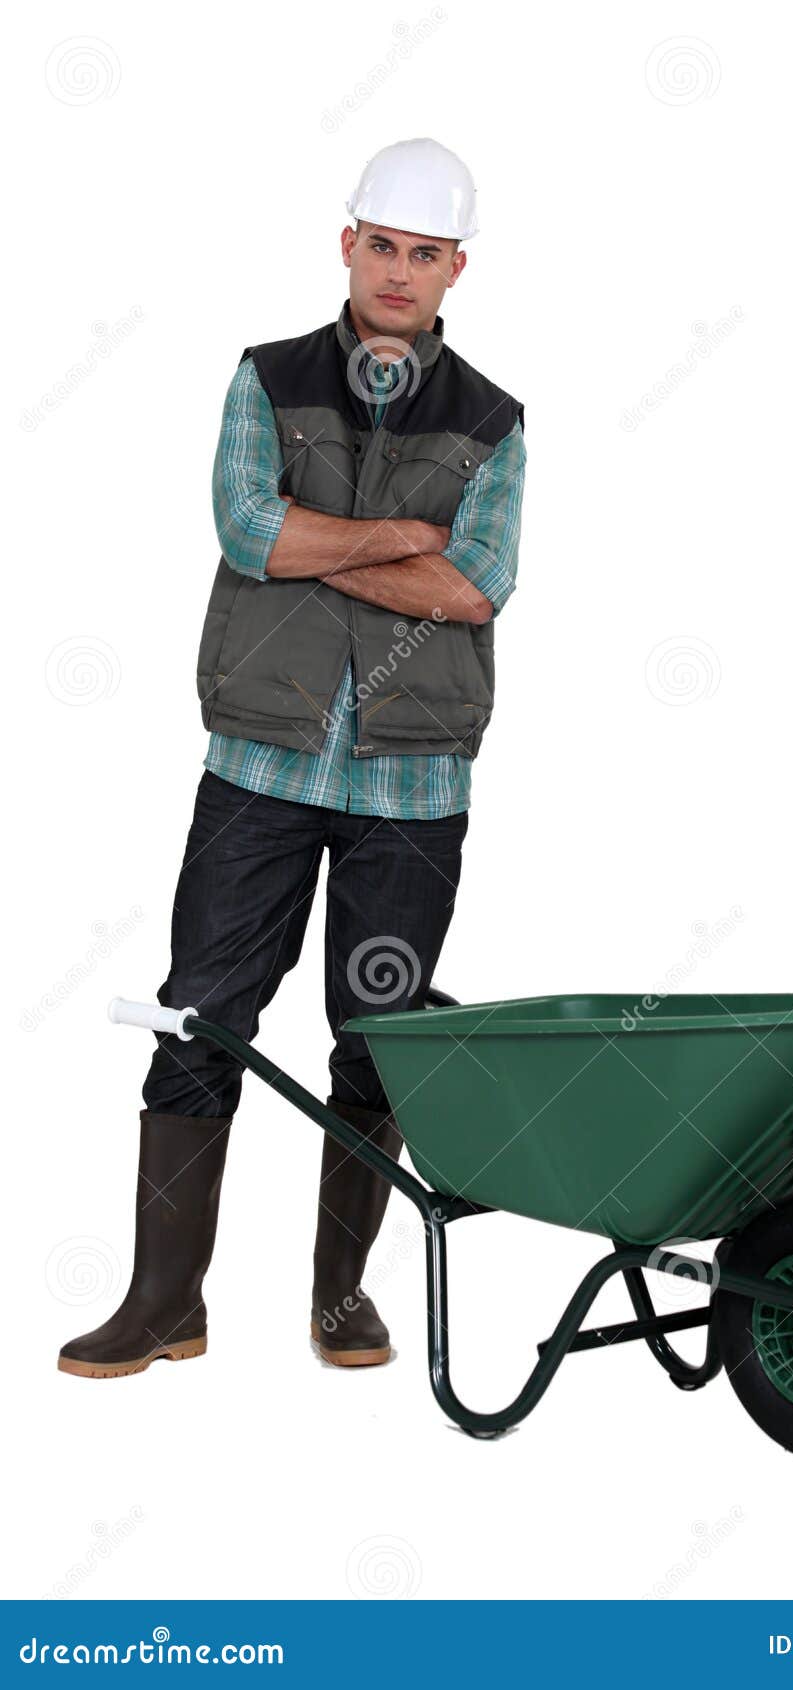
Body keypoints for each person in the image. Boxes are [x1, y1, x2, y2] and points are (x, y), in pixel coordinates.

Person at [58, 136, 526, 1379]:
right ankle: (164, 1302)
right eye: (385, 245)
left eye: (426, 254)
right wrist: (390, 537)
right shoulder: (265, 380)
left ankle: (338, 1296)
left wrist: (325, 542)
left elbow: (476, 587)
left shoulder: (492, 419)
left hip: (413, 783)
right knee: (200, 1017)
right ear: (348, 244)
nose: (400, 271)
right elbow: (246, 527)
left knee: (379, 1036)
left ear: (454, 271)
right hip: (259, 768)